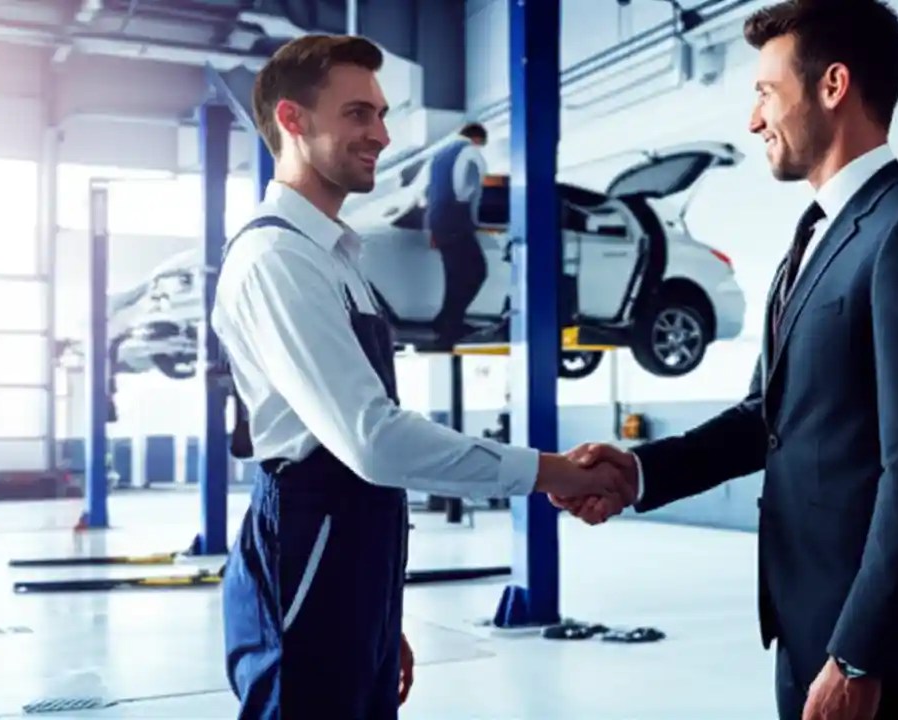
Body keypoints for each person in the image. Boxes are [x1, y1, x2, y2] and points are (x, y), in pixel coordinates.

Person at [555, 2, 898, 718]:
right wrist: (639, 472)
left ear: (833, 86)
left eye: (765, 93)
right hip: (806, 621)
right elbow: (770, 418)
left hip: (876, 649)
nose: (754, 120)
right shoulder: (814, 239)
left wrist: (862, 654)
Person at [211, 35, 630, 719]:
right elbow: (373, 441)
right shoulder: (276, 260)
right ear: (292, 120)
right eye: (357, 114)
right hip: (306, 556)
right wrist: (552, 472)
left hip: (348, 563)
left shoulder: (334, 254)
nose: (381, 134)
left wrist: (380, 614)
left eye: (381, 114)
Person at [427, 122, 490, 346]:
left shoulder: (439, 156)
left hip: (439, 220)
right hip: (457, 217)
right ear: (477, 138)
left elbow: (430, 192)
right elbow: (467, 190)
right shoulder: (470, 153)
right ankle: (450, 324)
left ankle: (447, 322)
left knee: (455, 275)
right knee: (476, 271)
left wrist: (433, 226)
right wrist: (474, 220)